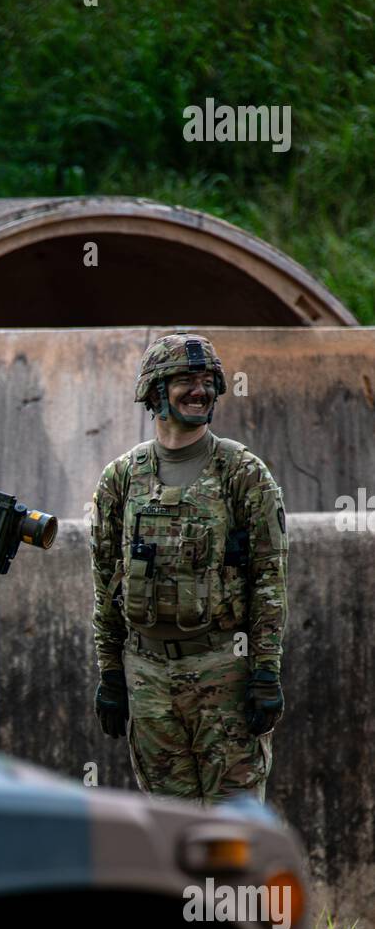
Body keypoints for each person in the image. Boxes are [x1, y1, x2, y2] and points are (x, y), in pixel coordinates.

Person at [90, 333, 288, 803]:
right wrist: (111, 675)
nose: (199, 391)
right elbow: (104, 584)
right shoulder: (122, 477)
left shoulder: (243, 473)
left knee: (234, 831)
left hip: (225, 674)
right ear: (155, 390)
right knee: (169, 832)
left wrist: (265, 674)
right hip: (149, 680)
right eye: (185, 380)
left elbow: (270, 582)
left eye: (207, 381)